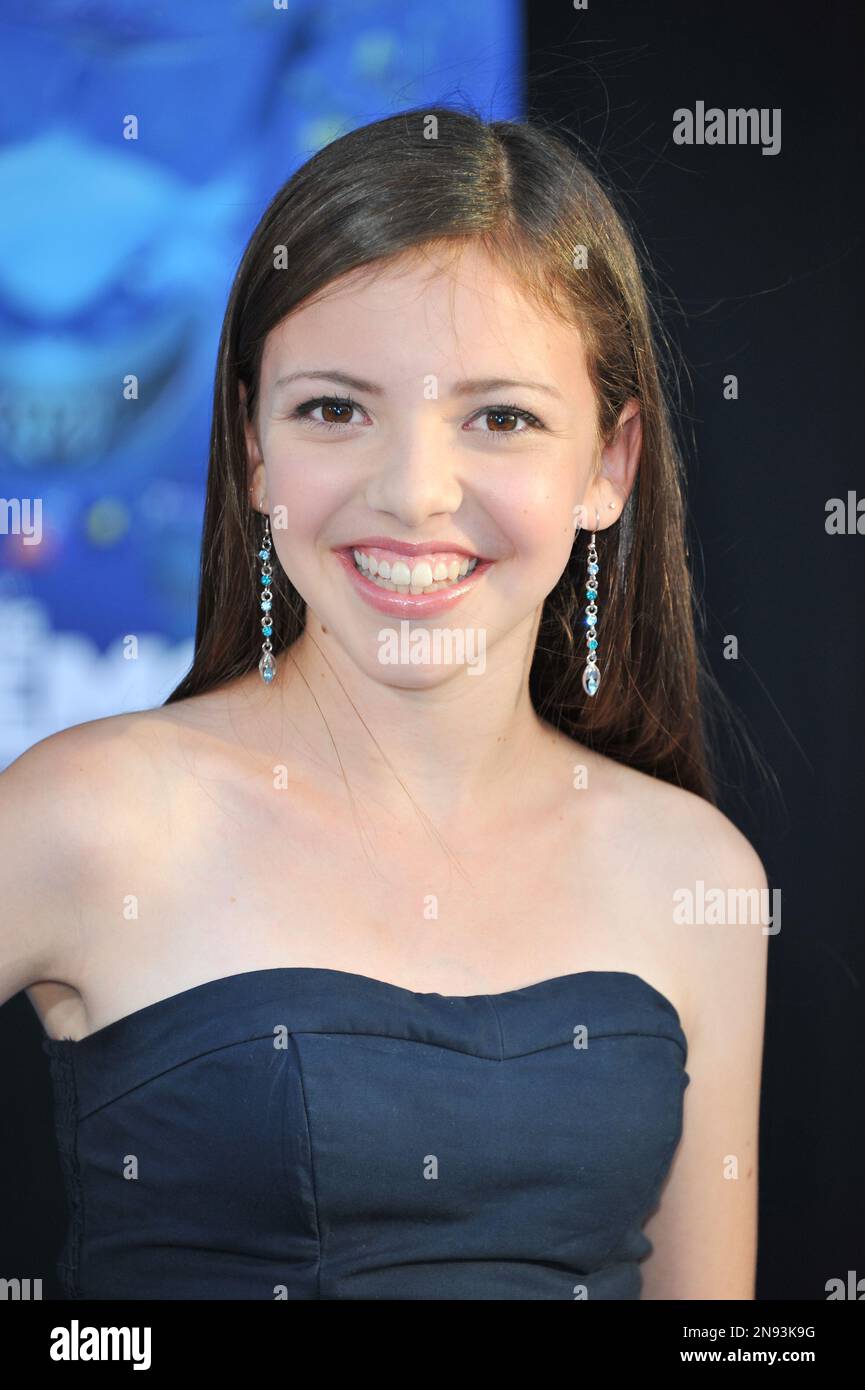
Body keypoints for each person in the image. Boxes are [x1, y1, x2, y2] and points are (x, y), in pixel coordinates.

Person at [0, 105, 768, 1300]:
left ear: (608, 467)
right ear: (253, 447)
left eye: (499, 417)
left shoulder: (692, 875)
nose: (414, 491)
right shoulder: (91, 815)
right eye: (333, 409)